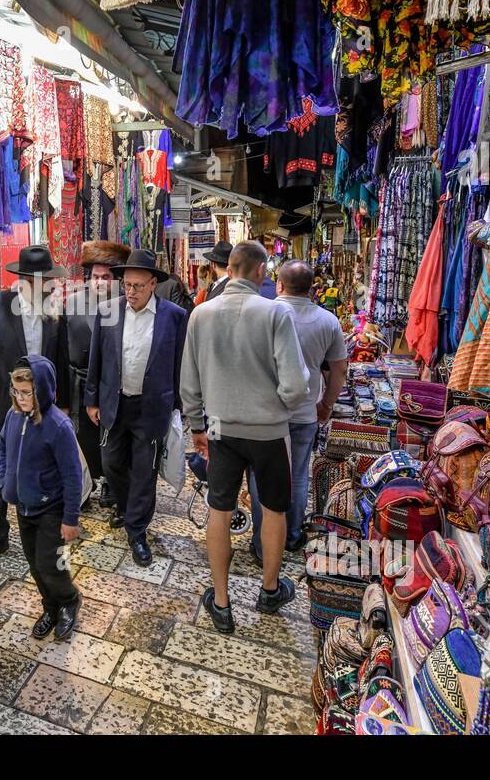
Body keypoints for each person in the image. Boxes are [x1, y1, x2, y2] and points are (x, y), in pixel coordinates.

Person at [181, 241, 309, 634]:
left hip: (220, 426)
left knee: (218, 509)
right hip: (268, 430)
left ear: (231, 268)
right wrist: (281, 407)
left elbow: (190, 380)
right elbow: (295, 384)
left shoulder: (201, 315)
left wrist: (197, 425)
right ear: (259, 272)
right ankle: (269, 589)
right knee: (272, 508)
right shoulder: (275, 313)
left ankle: (221, 600)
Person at [0, 245, 71, 566]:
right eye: (44, 280)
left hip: (40, 410)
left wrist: (63, 404)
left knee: (40, 470)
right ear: (26, 280)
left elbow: (61, 362)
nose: (50, 286)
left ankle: (39, 530)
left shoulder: (55, 314)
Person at [84, 249, 187, 566]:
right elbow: (97, 358)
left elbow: (180, 363)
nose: (130, 292)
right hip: (115, 402)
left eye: (138, 286)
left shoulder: (174, 316)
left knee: (145, 471)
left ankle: (137, 531)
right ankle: (129, 509)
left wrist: (179, 406)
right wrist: (92, 399)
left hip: (152, 406)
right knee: (111, 462)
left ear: (153, 284)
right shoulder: (108, 311)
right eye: (126, 285)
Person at [251, 260, 350, 553]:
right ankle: (292, 536)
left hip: (265, 412)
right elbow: (339, 369)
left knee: (261, 476)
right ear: (312, 289)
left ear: (279, 285)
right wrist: (327, 405)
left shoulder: (262, 314)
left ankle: (262, 542)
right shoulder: (327, 321)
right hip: (306, 411)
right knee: (297, 476)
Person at [0, 357, 83, 640]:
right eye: (16, 391)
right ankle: (50, 606)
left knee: (52, 562)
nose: (20, 398)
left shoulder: (59, 426)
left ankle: (69, 600)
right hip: (23, 507)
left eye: (26, 392)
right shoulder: (12, 416)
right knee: (34, 563)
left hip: (51, 508)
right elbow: (1, 449)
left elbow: (73, 476)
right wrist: (5, 482)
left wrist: (71, 519)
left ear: (43, 390)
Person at [66, 240, 129, 512]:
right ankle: (85, 482)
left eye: (106, 277)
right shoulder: (72, 303)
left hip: (111, 384)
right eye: (95, 277)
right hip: (78, 382)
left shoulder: (124, 308)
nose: (100, 282)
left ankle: (110, 484)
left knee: (111, 437)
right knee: (84, 438)